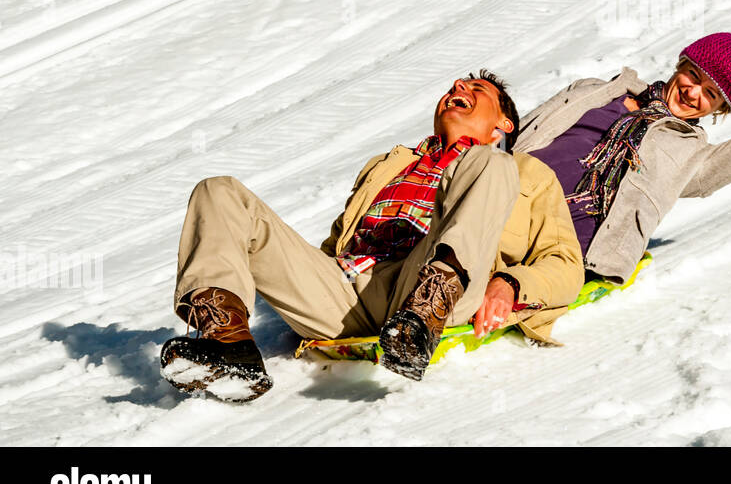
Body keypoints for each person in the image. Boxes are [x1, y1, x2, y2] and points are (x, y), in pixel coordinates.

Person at [160, 70, 583, 401]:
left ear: (503, 123)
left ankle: (420, 319)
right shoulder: (388, 164)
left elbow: (566, 265)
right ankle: (229, 345)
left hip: (429, 287)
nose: (457, 87)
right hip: (346, 290)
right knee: (218, 191)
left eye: (476, 88)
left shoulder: (519, 171)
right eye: (455, 84)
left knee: (487, 163)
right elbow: (336, 243)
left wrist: (510, 283)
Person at [514, 33, 731, 284]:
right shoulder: (597, 90)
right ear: (681, 65)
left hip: (559, 242)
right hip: (505, 193)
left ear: (720, 108)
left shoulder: (691, 157)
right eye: (693, 75)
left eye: (711, 94)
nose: (692, 93)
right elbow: (517, 134)